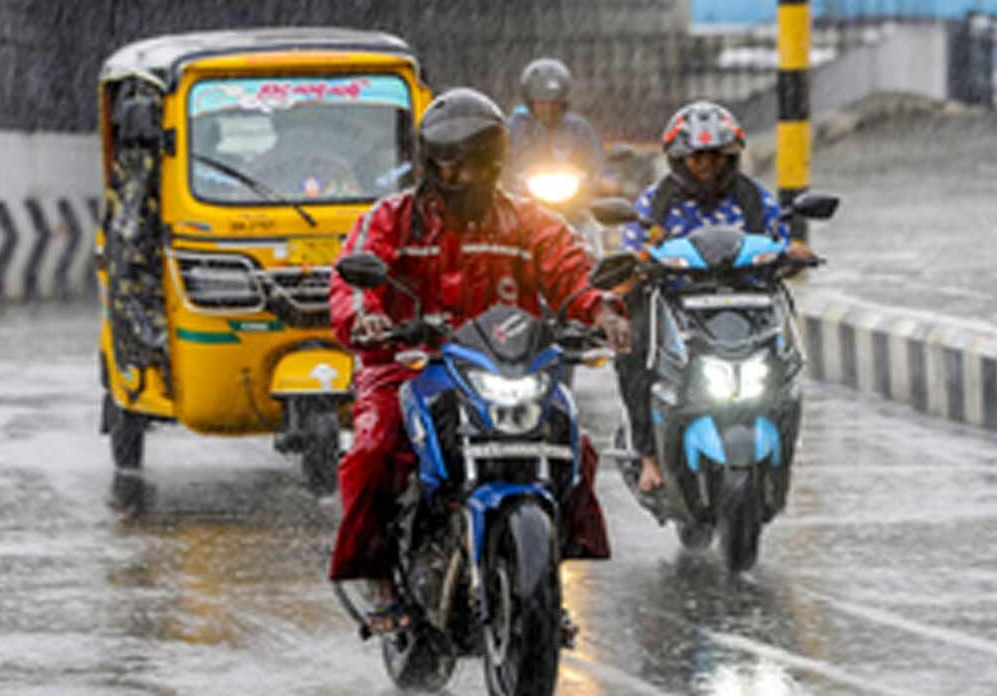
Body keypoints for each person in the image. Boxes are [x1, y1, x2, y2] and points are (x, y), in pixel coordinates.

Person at [327, 87, 631, 632]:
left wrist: (602, 310)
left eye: (465, 164)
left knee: (572, 444)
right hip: (408, 362)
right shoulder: (392, 218)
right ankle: (380, 578)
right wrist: (368, 319)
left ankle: (546, 571)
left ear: (491, 162)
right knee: (374, 451)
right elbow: (352, 278)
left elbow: (574, 272)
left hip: (504, 366)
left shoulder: (528, 222)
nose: (452, 176)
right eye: (442, 163)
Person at [617, 100, 815, 492]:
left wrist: (793, 253)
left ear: (730, 157)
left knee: (787, 360)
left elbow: (778, 240)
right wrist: (633, 266)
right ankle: (648, 456)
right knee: (632, 349)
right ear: (679, 159)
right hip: (675, 306)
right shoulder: (655, 203)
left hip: (748, 307)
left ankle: (783, 443)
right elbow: (634, 248)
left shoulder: (754, 200)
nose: (705, 166)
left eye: (714, 156)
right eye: (695, 158)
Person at [506, 58, 619, 208]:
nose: (548, 109)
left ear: (563, 101)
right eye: (541, 102)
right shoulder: (511, 129)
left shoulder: (579, 129)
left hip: (573, 207)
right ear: (530, 102)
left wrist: (606, 181)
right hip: (521, 206)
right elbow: (498, 166)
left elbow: (598, 162)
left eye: (554, 103)